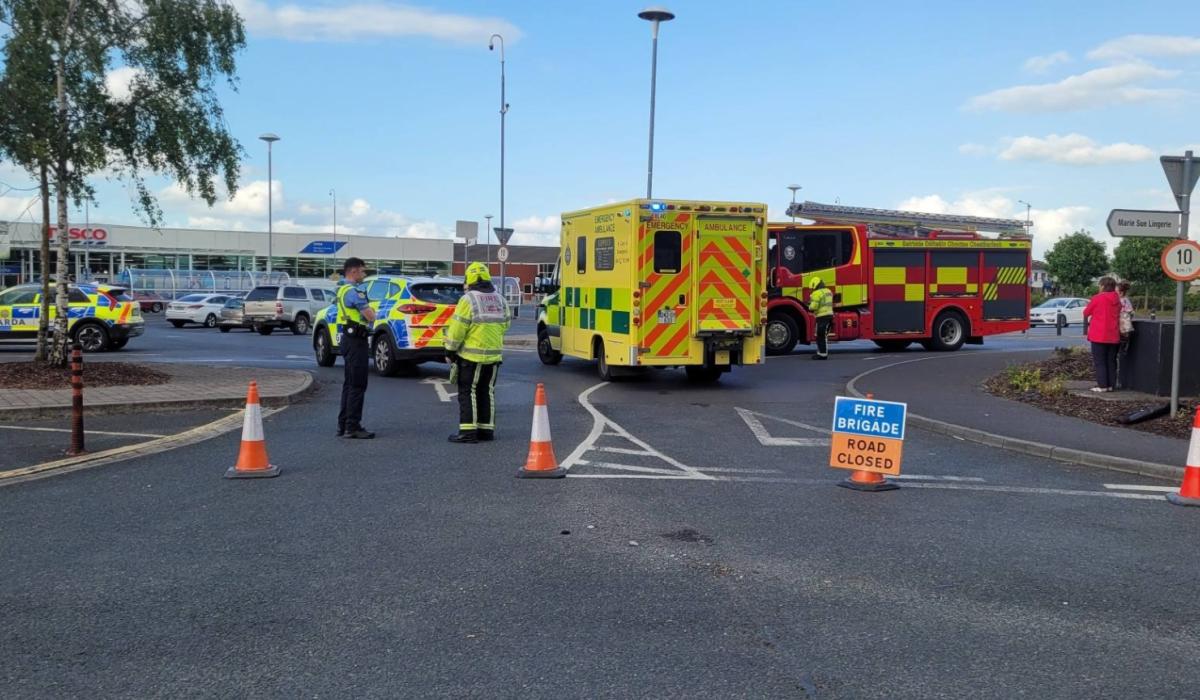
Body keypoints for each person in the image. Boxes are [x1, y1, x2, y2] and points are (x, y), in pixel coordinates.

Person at [445, 262, 510, 443]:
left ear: (470, 279)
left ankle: (467, 432)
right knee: (487, 391)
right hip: (494, 356)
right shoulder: (500, 299)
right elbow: (506, 324)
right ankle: (486, 430)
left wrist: (450, 349)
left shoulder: (468, 299)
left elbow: (458, 328)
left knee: (468, 391)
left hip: (471, 356)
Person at [336, 257, 377, 438]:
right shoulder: (354, 292)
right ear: (353, 271)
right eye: (362, 270)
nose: (364, 274)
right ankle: (352, 427)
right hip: (356, 341)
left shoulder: (341, 289)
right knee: (358, 385)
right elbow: (370, 316)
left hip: (348, 339)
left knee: (349, 384)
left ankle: (343, 424)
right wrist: (373, 313)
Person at [1083, 276, 1121, 393]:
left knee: (1100, 361)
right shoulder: (1117, 299)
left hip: (1099, 335)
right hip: (1114, 335)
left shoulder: (1098, 298)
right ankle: (1110, 385)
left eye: (1099, 285)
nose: (1098, 287)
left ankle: (1102, 386)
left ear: (1103, 286)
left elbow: (1086, 312)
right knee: (1111, 361)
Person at [808, 276, 834, 360]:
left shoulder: (816, 293)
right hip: (829, 315)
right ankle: (822, 352)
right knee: (823, 335)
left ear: (815, 285)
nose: (812, 290)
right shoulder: (829, 291)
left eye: (812, 288)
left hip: (821, 316)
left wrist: (809, 306)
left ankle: (822, 354)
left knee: (820, 335)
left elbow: (813, 307)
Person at [1116, 280, 1135, 389]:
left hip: (1120, 330)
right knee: (1122, 354)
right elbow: (1131, 313)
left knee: (1118, 355)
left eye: (1116, 291)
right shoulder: (1126, 301)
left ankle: (1119, 380)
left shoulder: (1119, 301)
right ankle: (1121, 380)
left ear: (1121, 292)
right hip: (1125, 331)